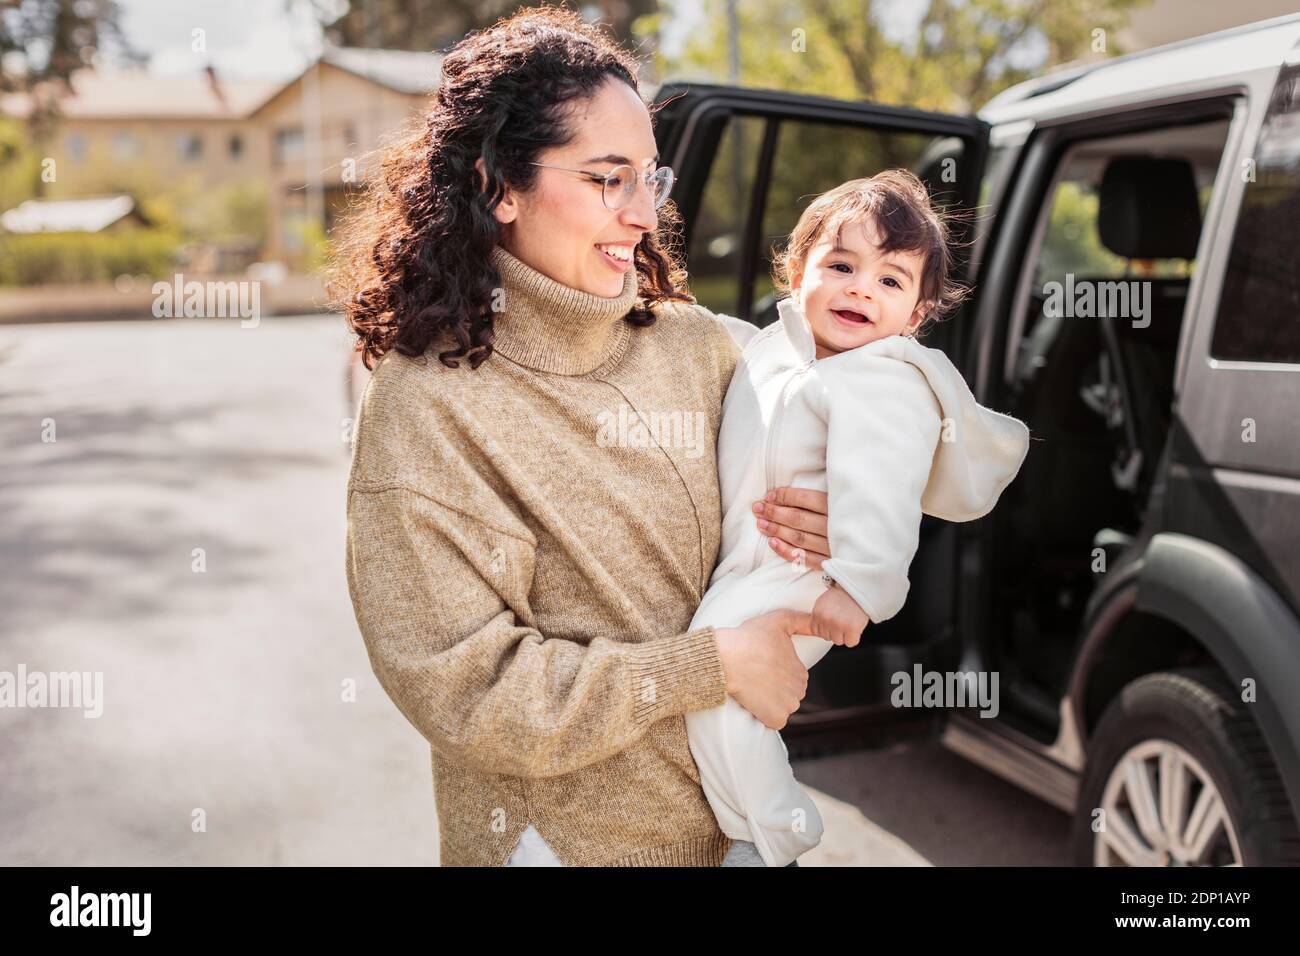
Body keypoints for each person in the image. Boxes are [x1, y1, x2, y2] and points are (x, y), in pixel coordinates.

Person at [333, 6, 832, 867]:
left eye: (652, 178)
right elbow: (469, 692)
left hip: (737, 834)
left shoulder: (697, 347)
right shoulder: (428, 407)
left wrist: (824, 520)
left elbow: (815, 465)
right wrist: (704, 666)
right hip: (554, 849)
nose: (643, 214)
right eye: (609, 179)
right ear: (499, 185)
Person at [687, 171, 1031, 866]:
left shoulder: (885, 380)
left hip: (808, 579)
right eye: (841, 265)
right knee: (713, 685)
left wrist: (859, 589)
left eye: (891, 281)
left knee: (712, 684)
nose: (860, 289)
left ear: (917, 313)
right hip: (748, 572)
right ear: (795, 270)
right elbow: (718, 345)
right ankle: (745, 817)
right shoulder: (775, 353)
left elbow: (883, 492)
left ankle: (769, 829)